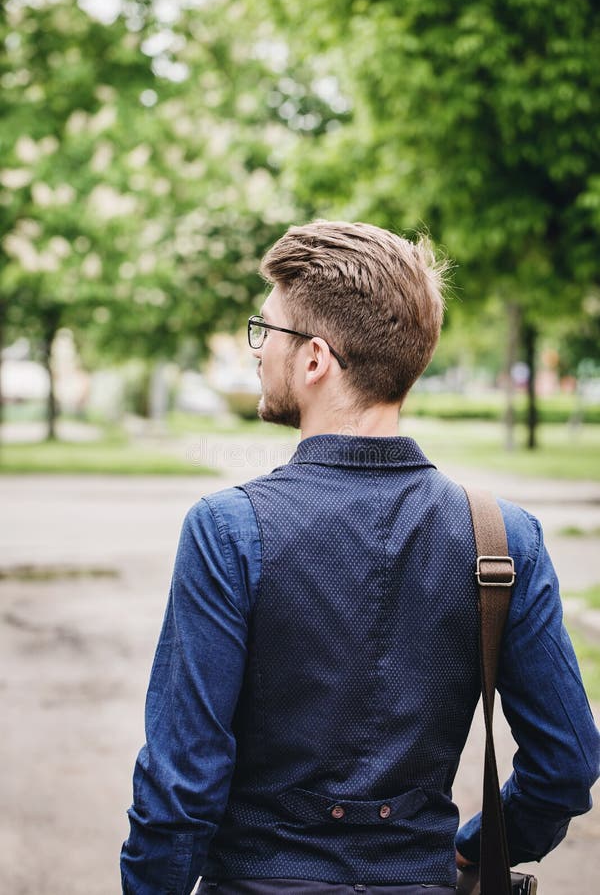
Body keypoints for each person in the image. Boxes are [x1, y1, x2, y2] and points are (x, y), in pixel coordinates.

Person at [120, 220, 599, 894]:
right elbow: (566, 766)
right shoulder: (503, 538)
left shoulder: (228, 530)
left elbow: (180, 792)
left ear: (315, 358)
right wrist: (468, 854)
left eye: (266, 332)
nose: (256, 353)